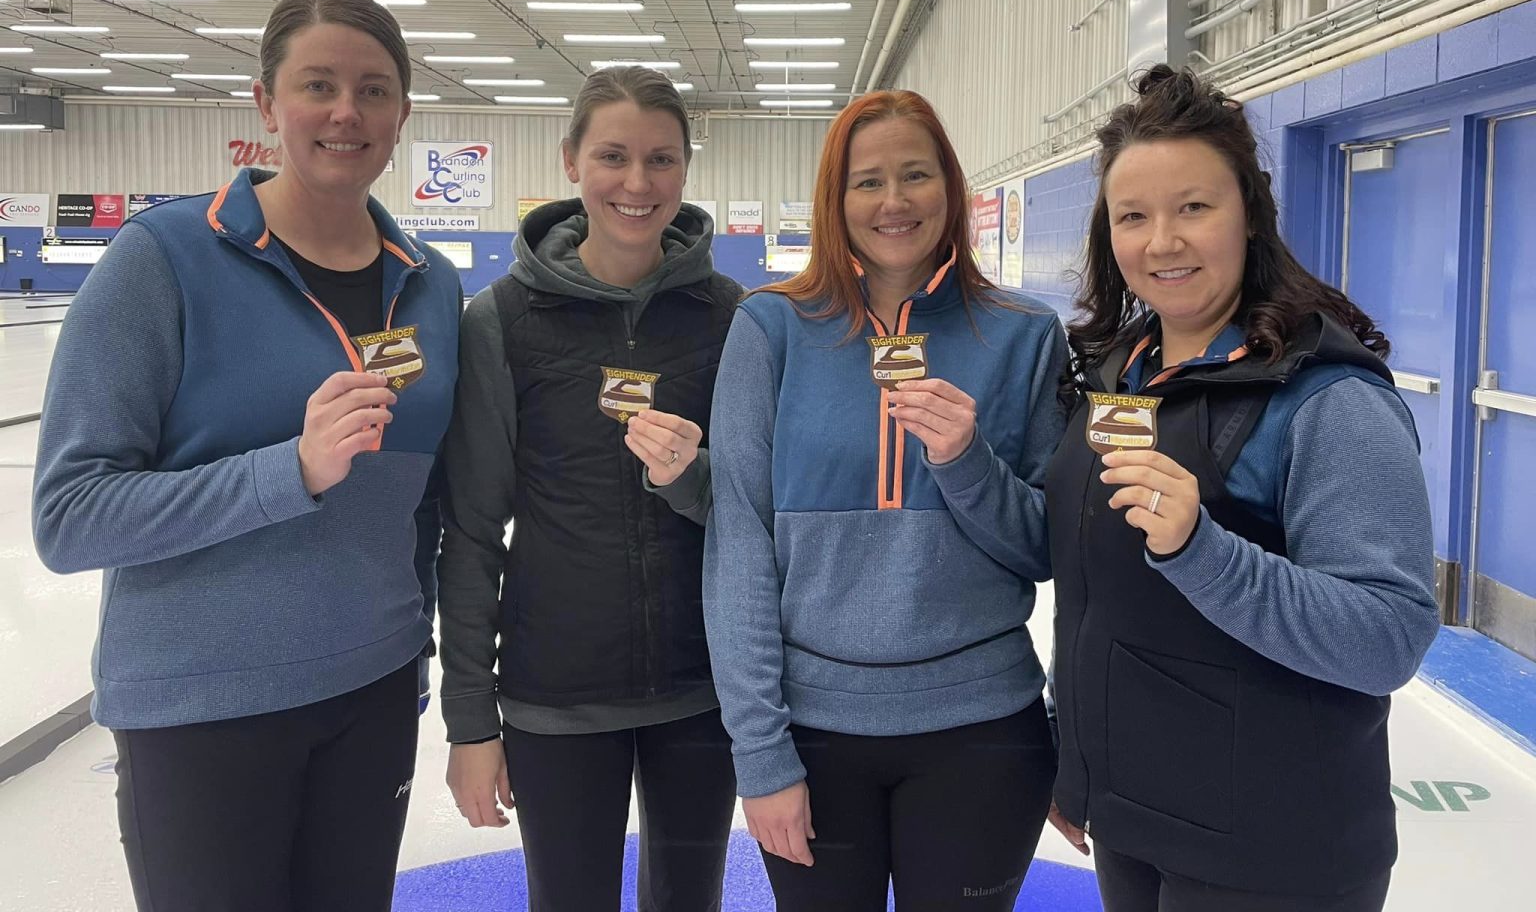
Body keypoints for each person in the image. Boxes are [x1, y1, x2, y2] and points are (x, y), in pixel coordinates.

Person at [31, 0, 461, 912]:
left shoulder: (430, 283)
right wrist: (288, 472)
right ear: (266, 104)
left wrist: (420, 649)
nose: (347, 112)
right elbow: (68, 518)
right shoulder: (164, 258)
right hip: (202, 707)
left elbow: (422, 500)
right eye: (319, 85)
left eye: (374, 90)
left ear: (401, 117)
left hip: (373, 690)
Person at [1045, 65, 1440, 912]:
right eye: (1134, 216)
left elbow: (1388, 637)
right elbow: (1094, 596)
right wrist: (1074, 765)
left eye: (1195, 207)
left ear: (1249, 216)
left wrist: (1201, 550)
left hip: (1274, 849)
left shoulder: (1328, 401)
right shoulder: (1123, 372)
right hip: (1137, 824)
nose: (1163, 243)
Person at [704, 90, 1066, 911]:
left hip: (983, 730)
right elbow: (738, 551)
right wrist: (760, 752)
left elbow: (1045, 549)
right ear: (835, 201)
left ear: (953, 189)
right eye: (867, 182)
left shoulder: (1024, 333)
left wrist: (965, 460)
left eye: (915, 175)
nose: (894, 201)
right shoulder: (771, 328)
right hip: (814, 733)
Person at [438, 65, 741, 912]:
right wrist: (471, 718)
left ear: (685, 169)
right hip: (553, 695)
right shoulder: (501, 321)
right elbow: (470, 530)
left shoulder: (729, 315)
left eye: (661, 160)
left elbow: (752, 515)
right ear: (571, 160)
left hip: (701, 690)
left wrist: (693, 478)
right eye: (613, 156)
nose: (637, 184)